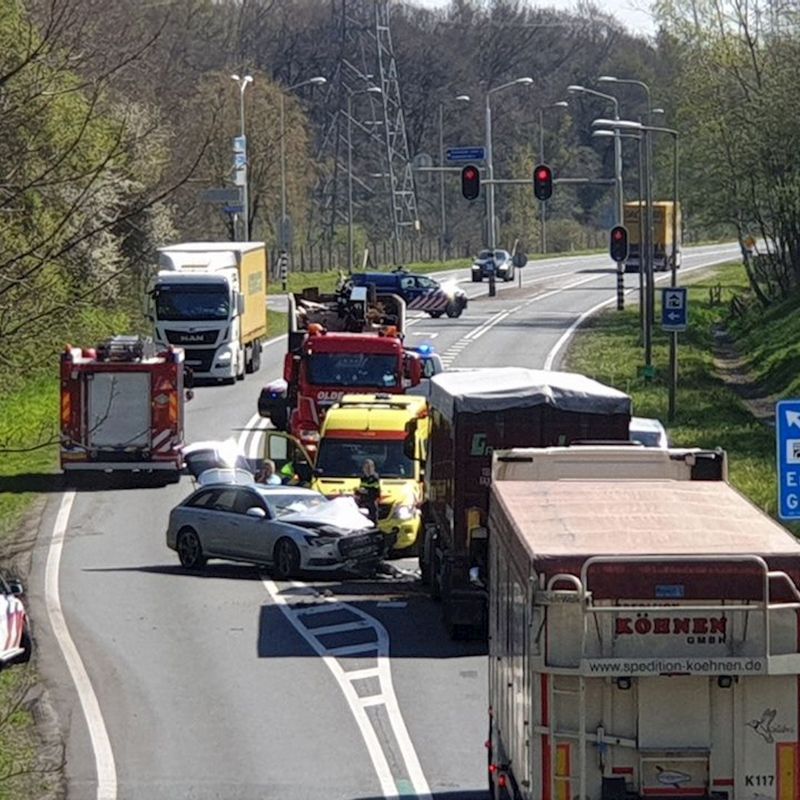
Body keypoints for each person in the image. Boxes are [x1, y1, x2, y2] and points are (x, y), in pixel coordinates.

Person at [357, 458, 381, 524]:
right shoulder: (363, 478)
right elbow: (362, 487)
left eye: (369, 467)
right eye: (366, 467)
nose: (368, 469)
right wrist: (357, 491)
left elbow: (376, 490)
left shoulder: (375, 478)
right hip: (363, 501)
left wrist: (366, 491)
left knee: (373, 515)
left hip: (372, 500)